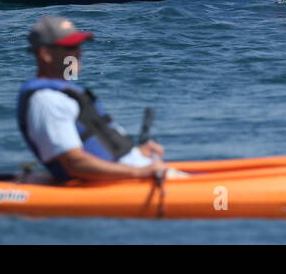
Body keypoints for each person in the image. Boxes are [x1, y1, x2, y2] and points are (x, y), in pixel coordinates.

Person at [17, 15, 185, 182]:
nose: (79, 52)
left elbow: (95, 146)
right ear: (45, 54)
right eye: (71, 47)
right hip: (124, 182)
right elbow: (75, 163)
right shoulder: (47, 101)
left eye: (79, 45)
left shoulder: (63, 94)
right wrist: (140, 172)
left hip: (130, 172)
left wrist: (137, 152)